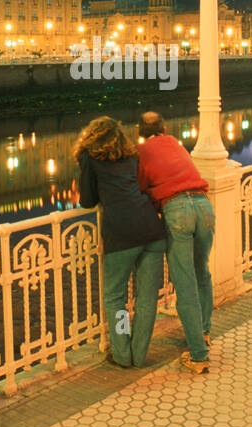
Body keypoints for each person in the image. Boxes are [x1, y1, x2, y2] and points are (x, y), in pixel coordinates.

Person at [74, 116, 168, 367]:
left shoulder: (89, 158)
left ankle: (122, 354)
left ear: (92, 136)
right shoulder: (131, 156)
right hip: (151, 228)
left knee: (115, 297)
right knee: (147, 297)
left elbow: (87, 200)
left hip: (121, 233)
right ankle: (139, 355)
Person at [136, 111, 214, 374]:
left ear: (140, 131)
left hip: (177, 209)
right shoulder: (176, 144)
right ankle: (203, 332)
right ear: (164, 128)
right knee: (201, 272)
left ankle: (199, 356)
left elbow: (141, 187)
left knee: (185, 283)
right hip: (203, 205)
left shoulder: (142, 151)